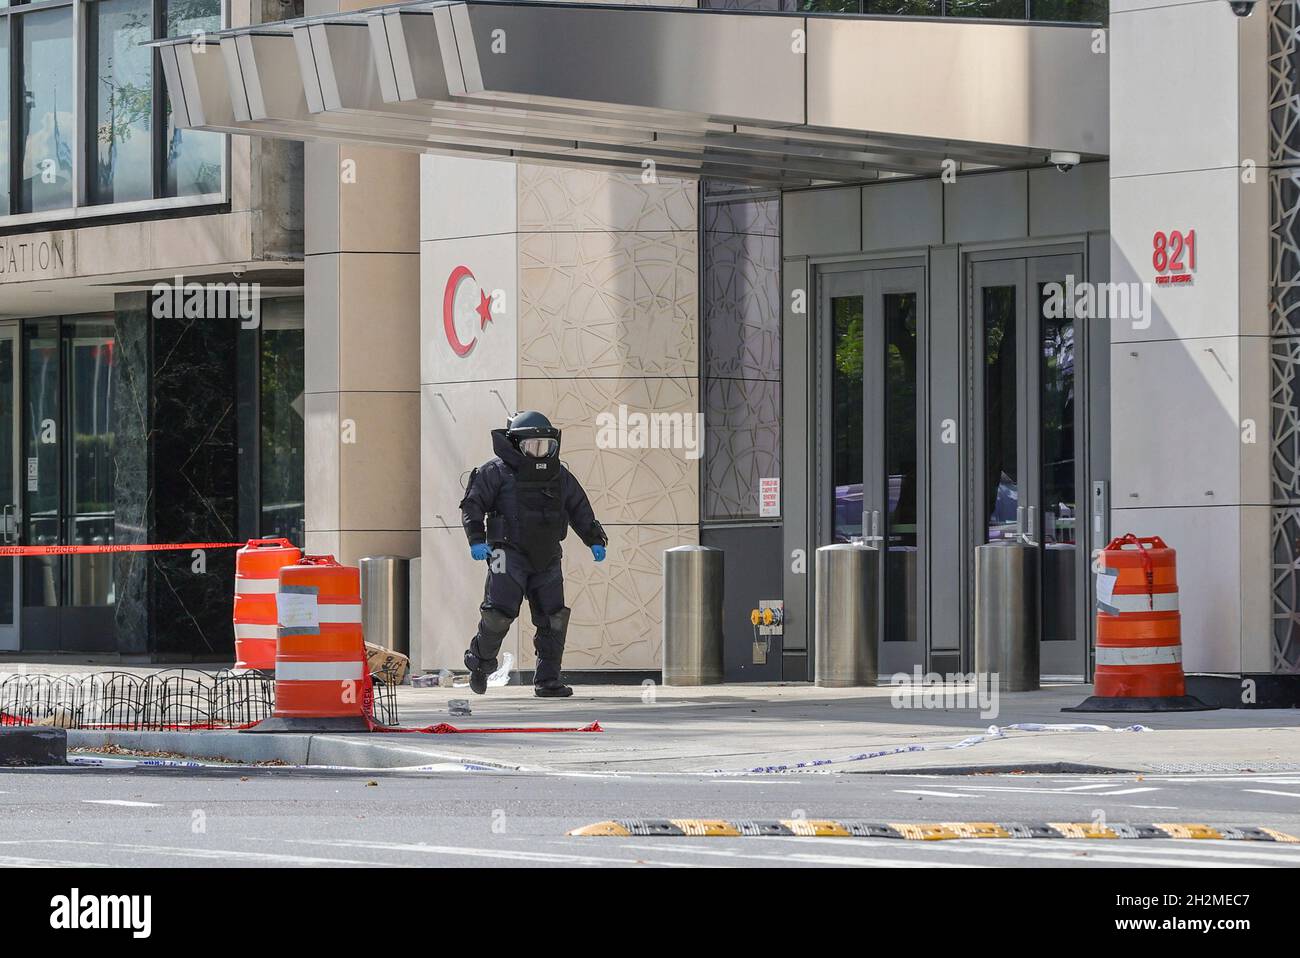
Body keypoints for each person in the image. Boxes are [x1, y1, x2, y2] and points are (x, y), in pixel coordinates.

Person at [459, 411, 608, 697]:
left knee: (553, 618)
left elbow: (579, 507)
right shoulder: (495, 472)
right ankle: (479, 663)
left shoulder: (559, 474)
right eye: (532, 445)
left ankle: (548, 680)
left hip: (548, 555)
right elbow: (473, 505)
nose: (538, 452)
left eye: (544, 445)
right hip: (507, 554)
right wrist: (476, 539)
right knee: (498, 614)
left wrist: (594, 539)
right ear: (515, 444)